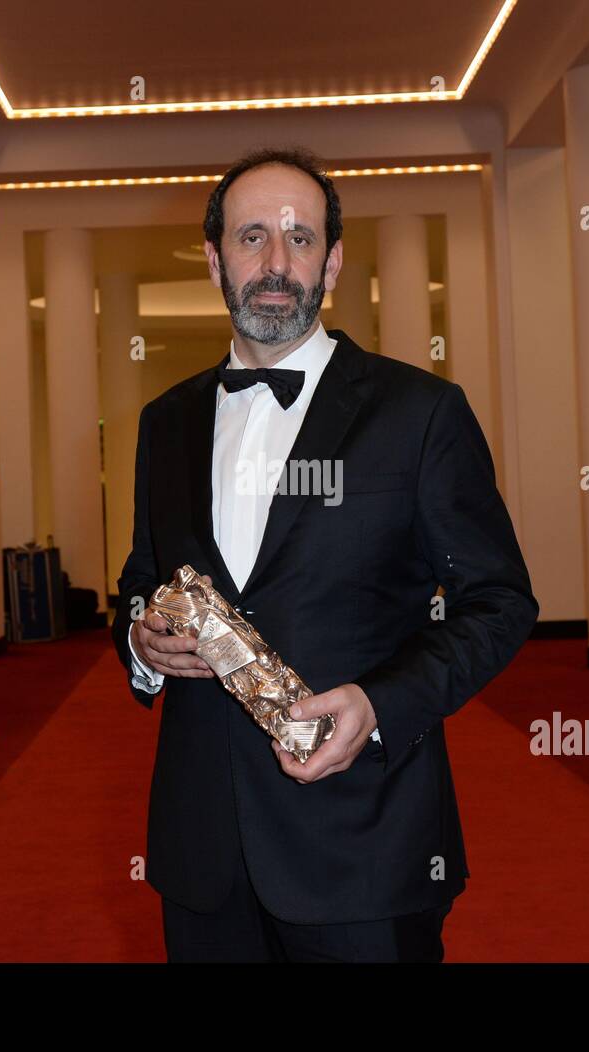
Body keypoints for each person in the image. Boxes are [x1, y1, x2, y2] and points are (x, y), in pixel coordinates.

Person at [112, 146, 538, 962]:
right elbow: (140, 581)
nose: (277, 262)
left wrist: (381, 705)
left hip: (364, 843)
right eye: (252, 237)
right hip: (201, 851)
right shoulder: (163, 424)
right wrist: (140, 641)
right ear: (214, 259)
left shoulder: (420, 413)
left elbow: (500, 602)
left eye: (301, 238)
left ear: (333, 261)